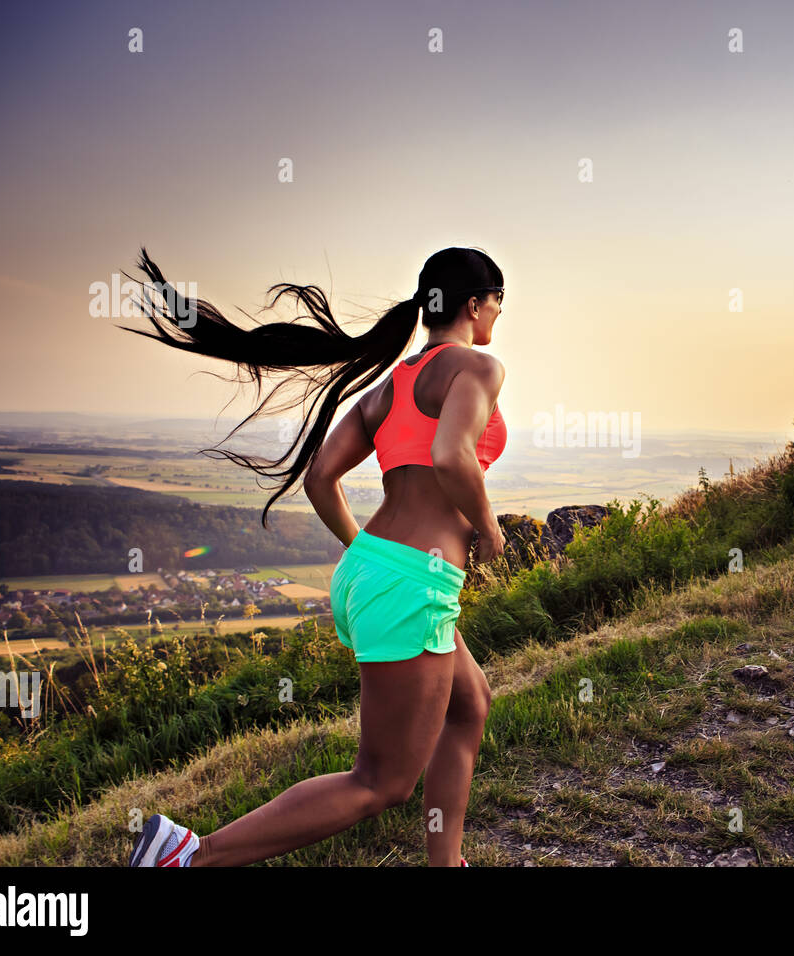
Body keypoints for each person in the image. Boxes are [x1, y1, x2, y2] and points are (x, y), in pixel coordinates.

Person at [118, 246, 509, 867]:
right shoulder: (477, 368)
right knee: (381, 783)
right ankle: (188, 855)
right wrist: (489, 527)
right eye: (497, 300)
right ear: (473, 303)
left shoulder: (391, 385)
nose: (497, 314)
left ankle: (447, 863)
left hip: (375, 572)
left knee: (469, 704)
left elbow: (321, 476)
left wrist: (370, 557)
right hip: (409, 583)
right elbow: (452, 457)